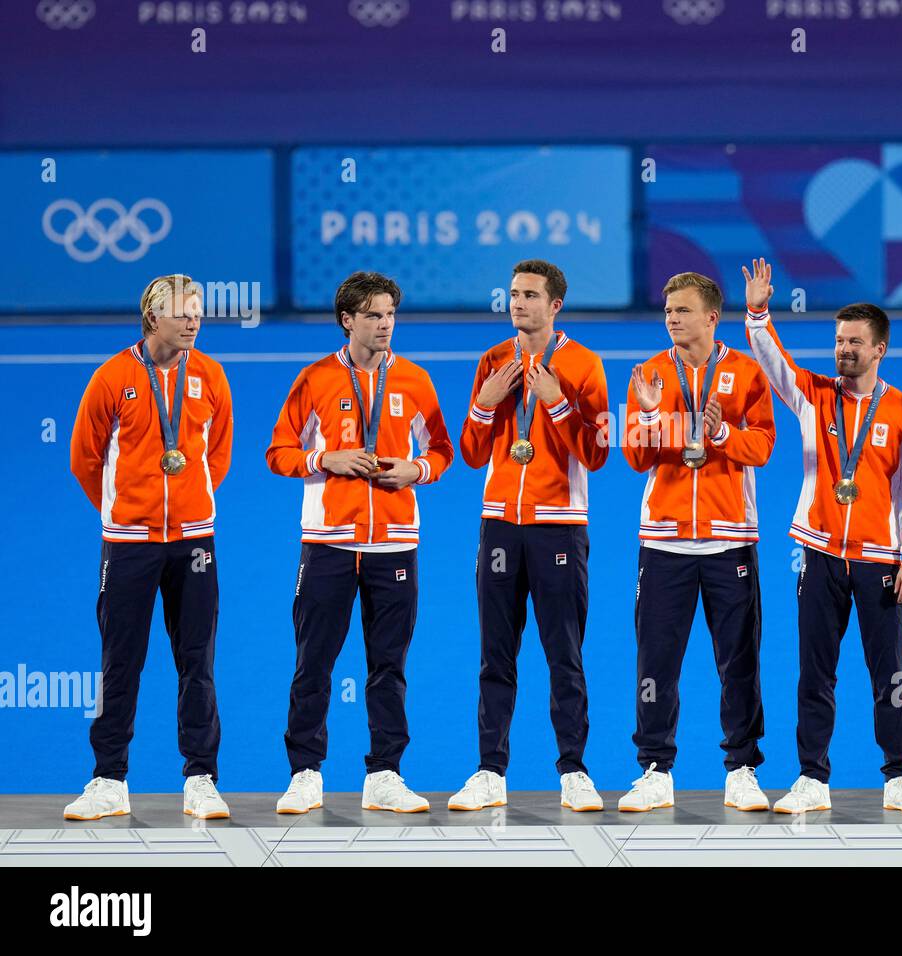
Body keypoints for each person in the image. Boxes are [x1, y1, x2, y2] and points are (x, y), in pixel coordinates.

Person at [744, 258, 902, 815]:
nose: (843, 349)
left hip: (881, 559)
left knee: (891, 672)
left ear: (880, 350)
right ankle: (811, 778)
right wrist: (757, 312)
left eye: (855, 342)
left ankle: (898, 775)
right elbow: (774, 363)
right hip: (819, 553)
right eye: (839, 340)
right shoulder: (814, 396)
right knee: (814, 670)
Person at [267, 271, 453, 814]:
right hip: (328, 542)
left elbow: (442, 450)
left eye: (390, 314)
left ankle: (385, 774)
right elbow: (278, 452)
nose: (385, 324)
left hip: (394, 543)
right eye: (373, 315)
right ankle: (305, 773)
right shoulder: (316, 379)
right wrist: (324, 460)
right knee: (314, 662)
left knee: (389, 664)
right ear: (348, 320)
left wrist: (415, 470)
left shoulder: (414, 380)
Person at [66, 274, 233, 821]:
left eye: (197, 311)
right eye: (182, 312)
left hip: (193, 542)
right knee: (121, 663)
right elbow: (85, 460)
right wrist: (125, 512)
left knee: (197, 663)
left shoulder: (209, 375)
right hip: (130, 545)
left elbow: (218, 457)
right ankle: (109, 780)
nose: (193, 321)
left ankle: (201, 779)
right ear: (151, 317)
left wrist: (189, 505)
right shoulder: (113, 377)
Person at [450, 260, 610, 813]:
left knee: (563, 655)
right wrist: (485, 402)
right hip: (498, 524)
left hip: (559, 527)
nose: (518, 304)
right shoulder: (492, 361)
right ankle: (490, 771)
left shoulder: (585, 365)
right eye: (513, 294)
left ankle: (573, 771)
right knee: (496, 656)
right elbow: (470, 454)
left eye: (530, 295)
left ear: (555, 305)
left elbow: (597, 454)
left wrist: (557, 402)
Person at [617, 271, 775, 813]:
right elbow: (635, 456)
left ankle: (743, 770)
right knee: (656, 662)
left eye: (682, 310)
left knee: (739, 661)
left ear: (711, 317)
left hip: (730, 540)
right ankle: (656, 769)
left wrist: (722, 433)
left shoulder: (747, 373)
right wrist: (656, 413)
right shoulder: (649, 373)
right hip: (663, 542)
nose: (671, 319)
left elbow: (763, 447)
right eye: (667, 311)